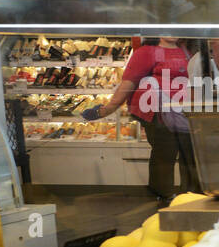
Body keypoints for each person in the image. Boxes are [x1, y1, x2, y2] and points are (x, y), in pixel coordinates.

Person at [80, 35, 199, 202]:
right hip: (157, 112)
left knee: (191, 155)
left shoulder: (186, 49)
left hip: (185, 112)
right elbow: (128, 83)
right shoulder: (146, 52)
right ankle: (163, 198)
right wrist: (107, 109)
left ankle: (190, 199)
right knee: (165, 154)